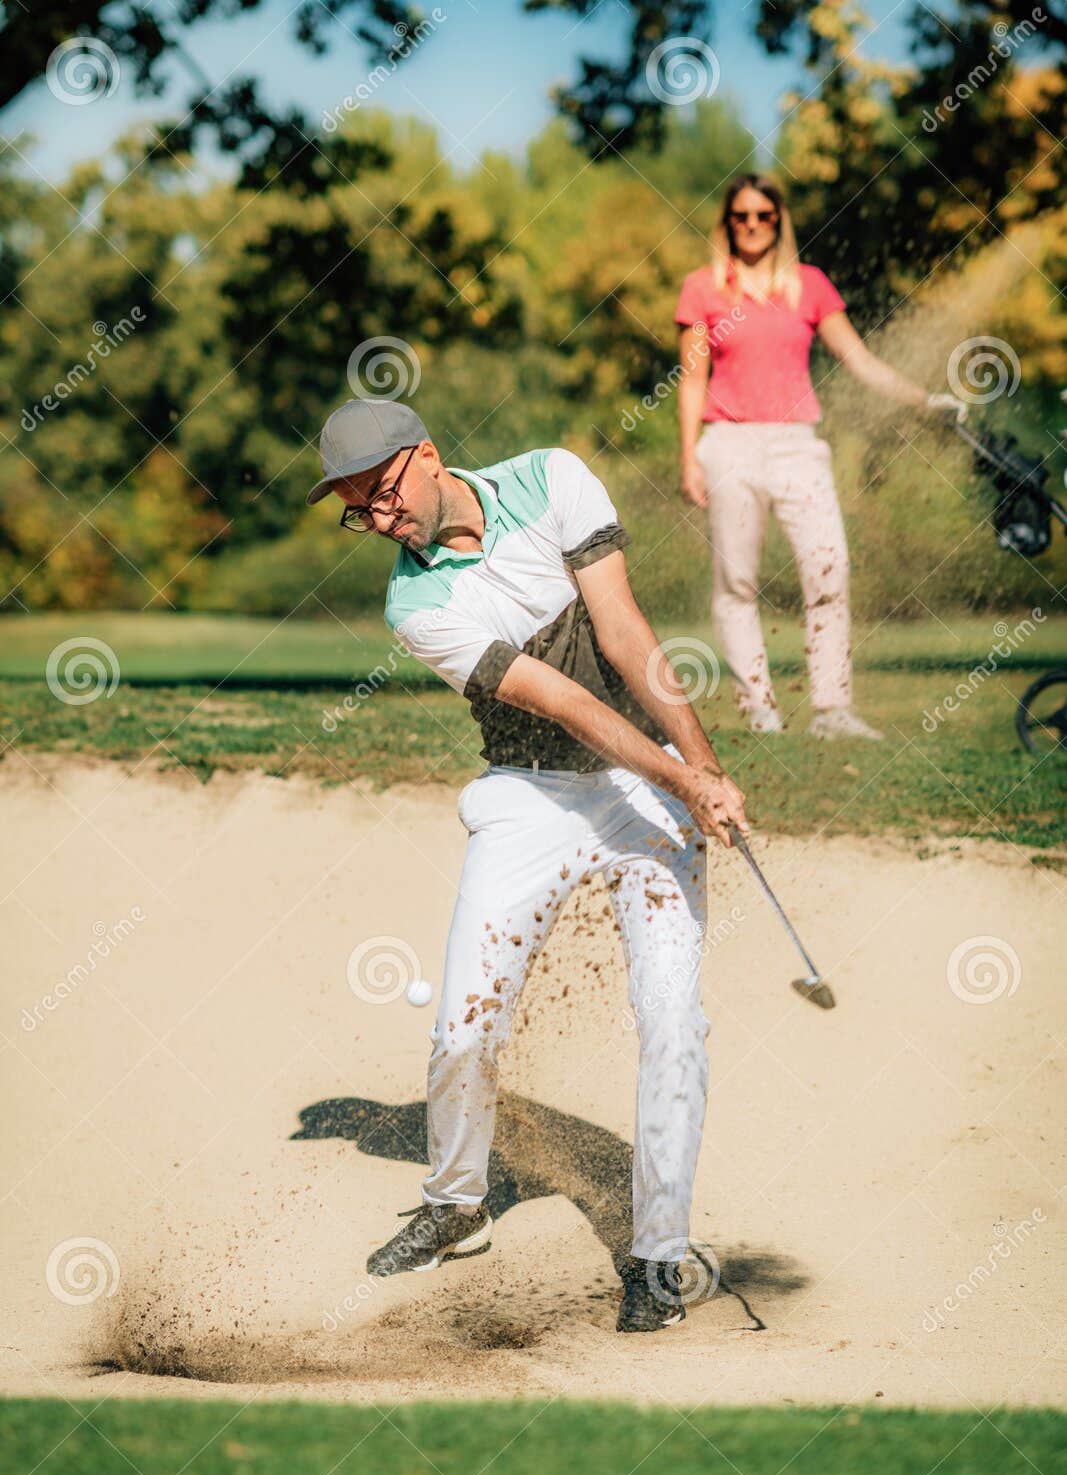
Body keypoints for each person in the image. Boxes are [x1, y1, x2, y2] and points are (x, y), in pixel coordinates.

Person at [307, 397, 749, 1333]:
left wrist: (702, 770)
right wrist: (685, 778)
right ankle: (455, 1204)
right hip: (528, 792)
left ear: (427, 456)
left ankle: (657, 1256)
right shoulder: (415, 605)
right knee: (463, 1022)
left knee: (673, 1022)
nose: (377, 521)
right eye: (357, 512)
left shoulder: (552, 479)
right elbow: (563, 704)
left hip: (638, 793)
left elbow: (624, 636)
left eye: (381, 494)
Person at [677, 172, 965, 738]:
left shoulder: (808, 285)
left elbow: (859, 360)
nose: (753, 225)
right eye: (741, 216)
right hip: (729, 444)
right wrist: (688, 456)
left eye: (764, 215)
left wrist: (922, 400)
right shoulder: (703, 289)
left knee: (829, 566)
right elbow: (691, 380)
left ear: (779, 220)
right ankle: (760, 708)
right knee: (737, 582)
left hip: (798, 447)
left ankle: (832, 710)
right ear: (727, 223)